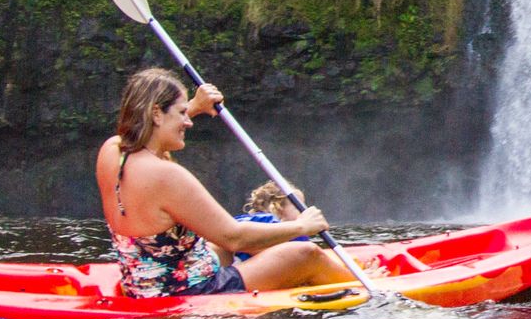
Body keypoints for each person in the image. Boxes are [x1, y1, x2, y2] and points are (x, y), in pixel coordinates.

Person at [96, 68, 348, 296]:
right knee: (305, 254)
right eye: (182, 113)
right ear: (156, 113)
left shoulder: (112, 152)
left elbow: (146, 132)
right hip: (189, 291)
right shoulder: (167, 176)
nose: (188, 122)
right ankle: (362, 283)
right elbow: (234, 237)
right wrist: (302, 226)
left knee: (221, 246)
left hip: (140, 285)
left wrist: (195, 106)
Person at [231, 182, 308, 262]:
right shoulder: (267, 221)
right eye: (298, 206)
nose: (304, 211)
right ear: (277, 207)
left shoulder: (298, 235)